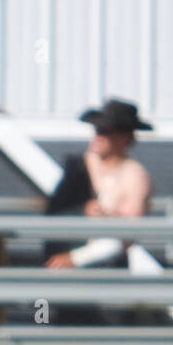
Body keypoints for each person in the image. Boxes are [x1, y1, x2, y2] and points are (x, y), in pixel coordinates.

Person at [45, 97, 153, 268]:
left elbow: (129, 234)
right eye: (97, 130)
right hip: (65, 259)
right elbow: (55, 212)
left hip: (104, 270)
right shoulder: (78, 168)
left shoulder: (134, 176)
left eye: (106, 132)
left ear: (124, 138)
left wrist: (76, 259)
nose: (98, 137)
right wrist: (83, 212)